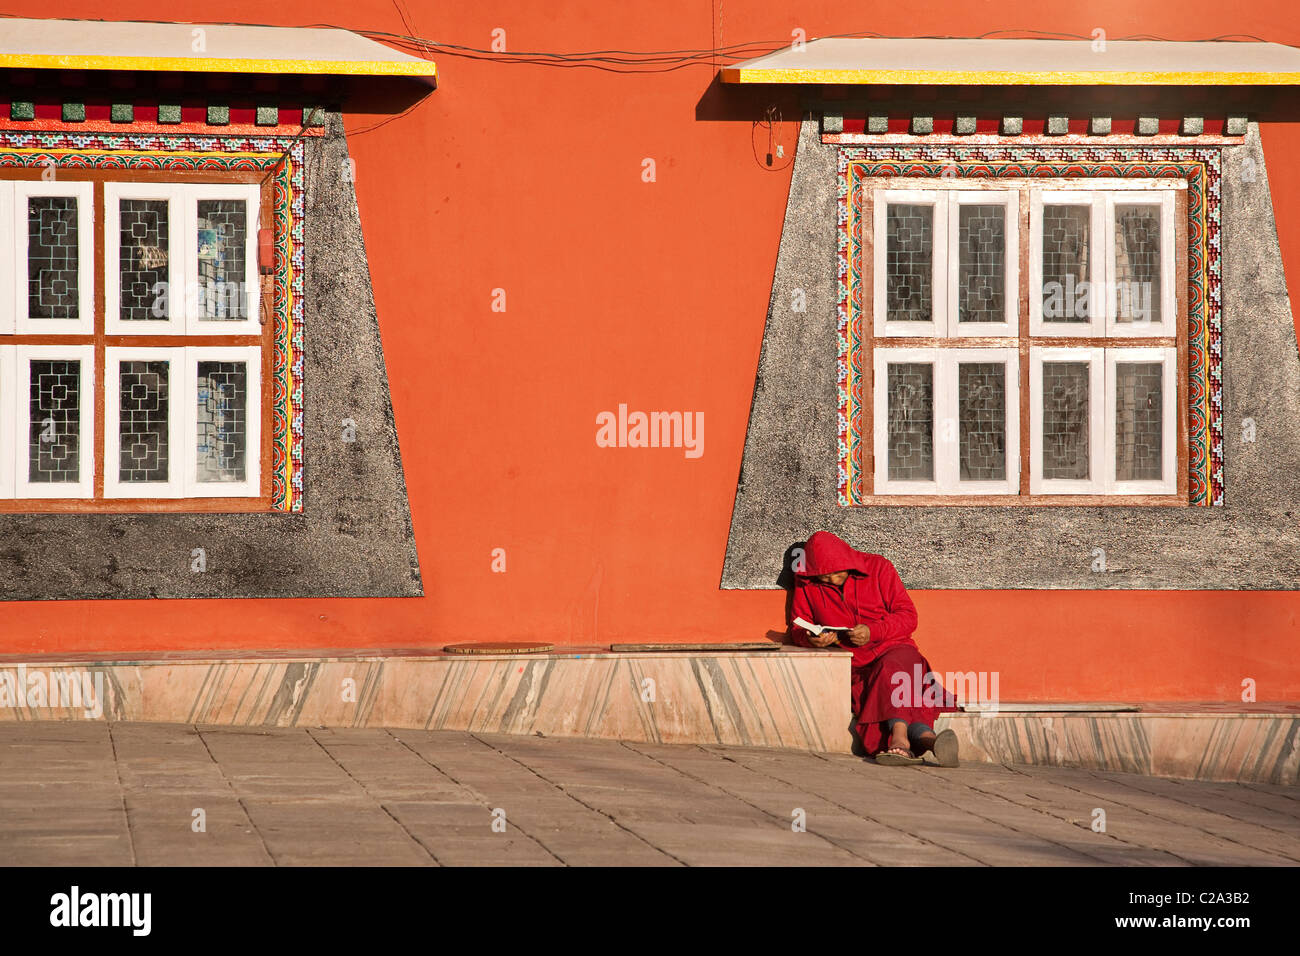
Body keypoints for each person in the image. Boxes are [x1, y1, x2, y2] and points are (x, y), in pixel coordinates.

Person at [789, 530, 960, 766]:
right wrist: (810, 639)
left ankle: (898, 740)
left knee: (891, 670)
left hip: (895, 650)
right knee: (888, 684)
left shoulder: (879, 568)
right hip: (857, 664)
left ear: (847, 562)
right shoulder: (807, 583)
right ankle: (929, 739)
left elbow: (908, 616)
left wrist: (873, 631)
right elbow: (798, 625)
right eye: (823, 578)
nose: (830, 580)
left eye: (836, 573)